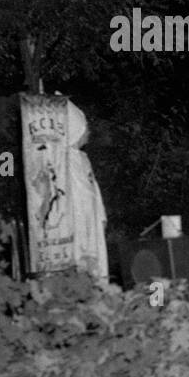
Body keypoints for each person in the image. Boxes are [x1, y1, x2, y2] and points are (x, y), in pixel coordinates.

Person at [65, 98, 109, 282]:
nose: (89, 132)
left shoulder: (83, 158)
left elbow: (93, 190)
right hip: (76, 220)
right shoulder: (65, 159)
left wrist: (101, 215)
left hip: (91, 219)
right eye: (85, 128)